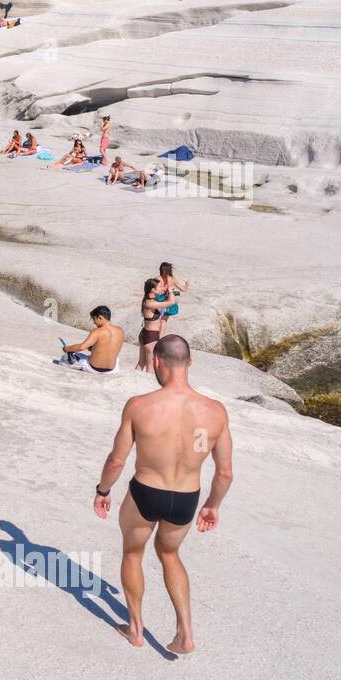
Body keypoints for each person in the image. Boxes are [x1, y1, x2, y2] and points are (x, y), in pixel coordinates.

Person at [92, 334, 234, 654]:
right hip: (186, 498)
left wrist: (103, 490)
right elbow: (225, 472)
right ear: (190, 363)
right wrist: (212, 505)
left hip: (146, 492)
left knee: (133, 553)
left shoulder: (140, 406)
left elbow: (117, 460)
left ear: (157, 362)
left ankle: (136, 629)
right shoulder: (215, 411)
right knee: (169, 555)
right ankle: (185, 633)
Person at [55, 306, 124, 374]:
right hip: (112, 370)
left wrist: (67, 349)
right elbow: (112, 349)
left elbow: (81, 347)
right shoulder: (120, 331)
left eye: (94, 319)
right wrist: (94, 348)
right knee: (116, 359)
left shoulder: (97, 331)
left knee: (65, 357)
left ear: (100, 317)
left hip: (94, 368)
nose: (94, 322)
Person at [137, 278, 174, 372]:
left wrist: (166, 292)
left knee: (141, 363)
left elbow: (162, 300)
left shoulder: (147, 300)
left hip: (145, 333)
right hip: (151, 336)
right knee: (151, 366)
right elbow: (171, 302)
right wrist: (170, 291)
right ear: (153, 290)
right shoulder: (150, 304)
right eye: (159, 287)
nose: (161, 288)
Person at [157, 262, 190, 326]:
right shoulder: (172, 279)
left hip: (159, 300)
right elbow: (183, 289)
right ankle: (161, 335)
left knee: (156, 319)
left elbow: (155, 290)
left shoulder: (157, 278)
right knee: (164, 320)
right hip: (169, 300)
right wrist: (187, 285)